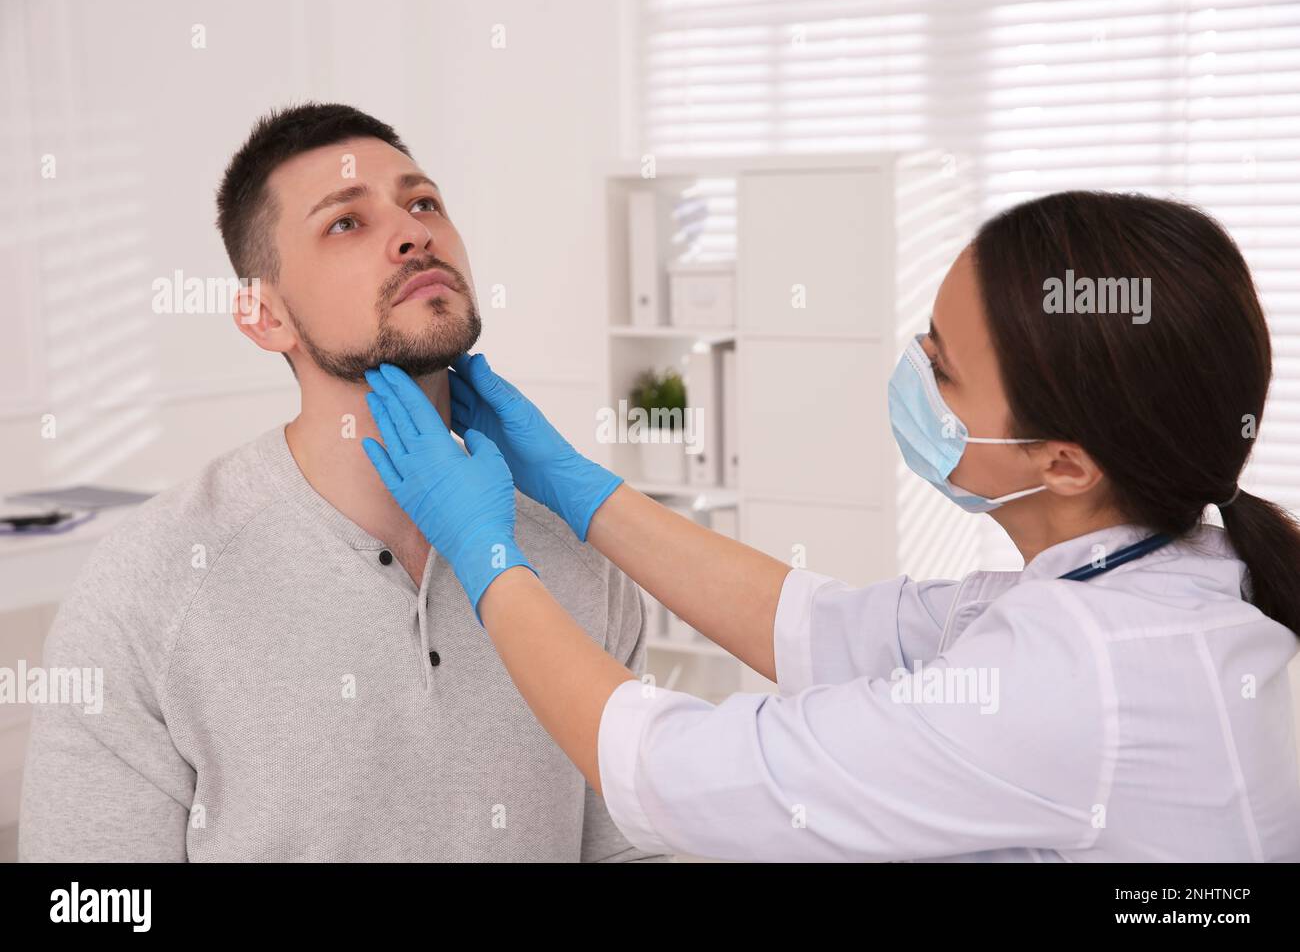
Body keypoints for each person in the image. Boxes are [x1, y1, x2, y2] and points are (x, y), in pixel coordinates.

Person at [361, 190, 1300, 862]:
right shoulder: (1159, 572)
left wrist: (488, 556)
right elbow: (830, 627)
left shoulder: (1089, 673)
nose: (912, 373)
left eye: (939, 367)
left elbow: (674, 775)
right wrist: (580, 490)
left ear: (1062, 462)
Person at [19, 102, 664, 862]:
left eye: (422, 203)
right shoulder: (150, 585)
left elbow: (629, 849)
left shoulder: (578, 553)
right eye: (344, 223)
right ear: (265, 318)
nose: (414, 232)